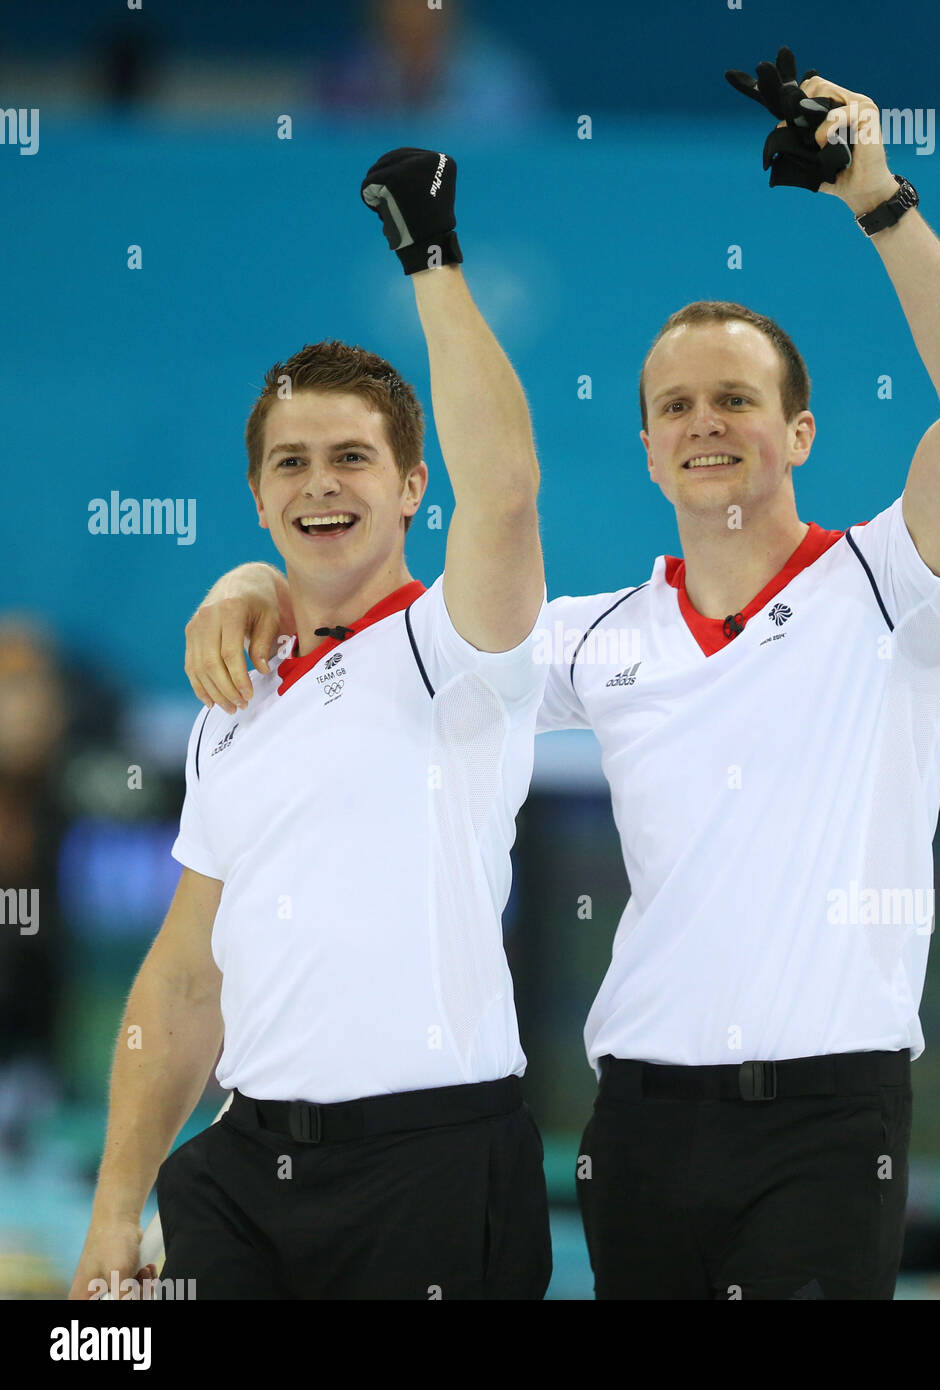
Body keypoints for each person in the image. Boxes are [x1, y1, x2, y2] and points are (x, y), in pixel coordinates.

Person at [183, 50, 940, 1299]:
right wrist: (247, 584)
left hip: (829, 1126)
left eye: (735, 398)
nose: (703, 423)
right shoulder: (594, 638)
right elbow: (417, 619)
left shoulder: (897, 590)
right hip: (636, 1125)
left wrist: (879, 202)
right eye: (674, 405)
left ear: (799, 432)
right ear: (644, 450)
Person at [70, 147, 551, 1300]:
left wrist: (430, 258)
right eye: (292, 462)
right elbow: (184, 982)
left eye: (352, 458)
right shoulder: (234, 702)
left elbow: (510, 489)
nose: (320, 483)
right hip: (244, 1167)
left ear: (411, 486)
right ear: (257, 496)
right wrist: (112, 1212)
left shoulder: (462, 648)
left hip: (433, 1165)